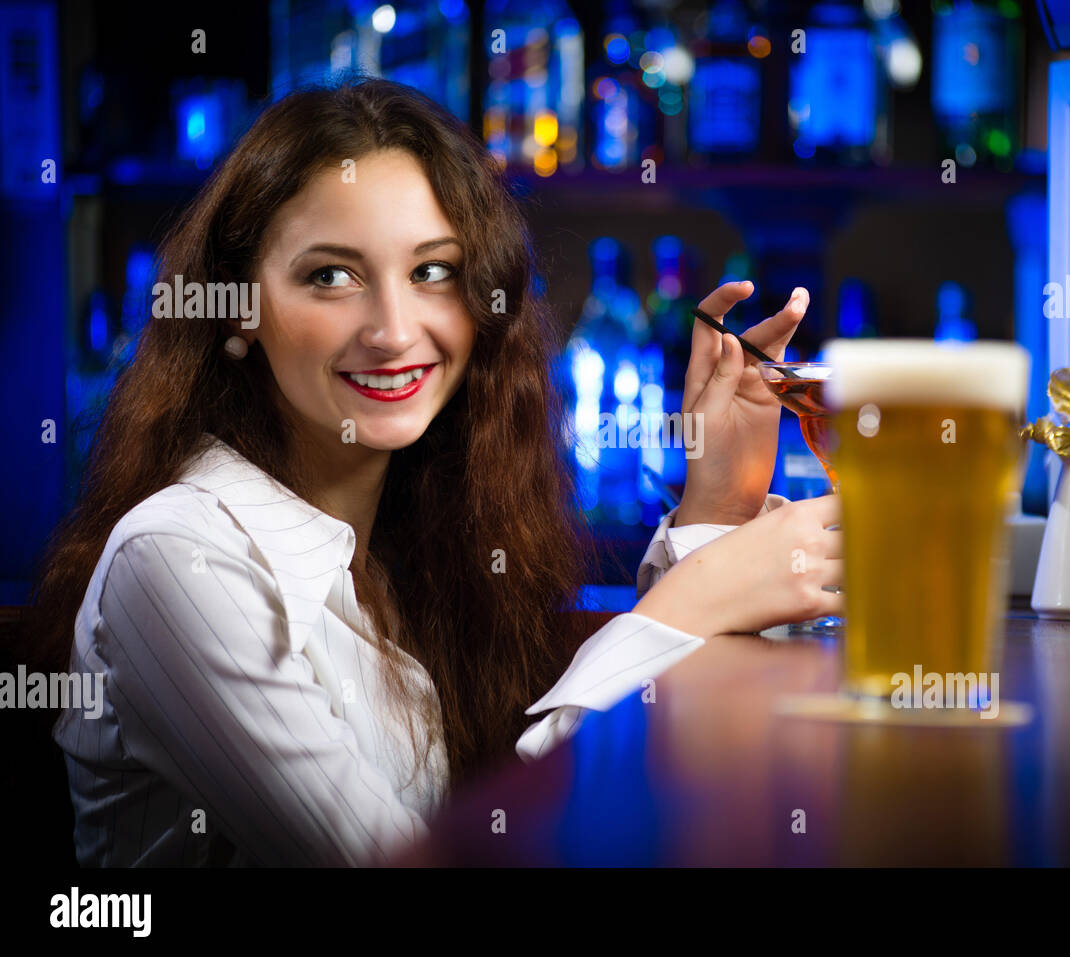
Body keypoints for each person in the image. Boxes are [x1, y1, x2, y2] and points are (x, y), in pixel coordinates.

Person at [27, 79, 843, 866]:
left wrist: (716, 507)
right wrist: (686, 601)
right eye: (330, 275)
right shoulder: (176, 557)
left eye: (431, 272)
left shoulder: (414, 546)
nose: (392, 329)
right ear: (240, 308)